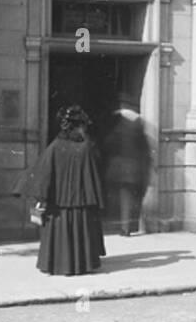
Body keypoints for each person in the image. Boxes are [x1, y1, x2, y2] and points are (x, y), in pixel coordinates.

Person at [33, 105, 105, 276]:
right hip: (81, 201)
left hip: (58, 204)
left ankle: (57, 264)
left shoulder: (55, 146)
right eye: (82, 126)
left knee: (58, 231)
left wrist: (41, 196)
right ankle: (81, 264)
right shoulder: (86, 146)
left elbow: (43, 172)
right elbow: (94, 172)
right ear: (78, 126)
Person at [102, 95, 153, 236]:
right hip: (136, 169)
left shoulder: (119, 124)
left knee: (124, 198)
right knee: (134, 198)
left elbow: (109, 143)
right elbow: (145, 147)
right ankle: (136, 225)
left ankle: (125, 227)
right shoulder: (139, 124)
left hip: (120, 168)